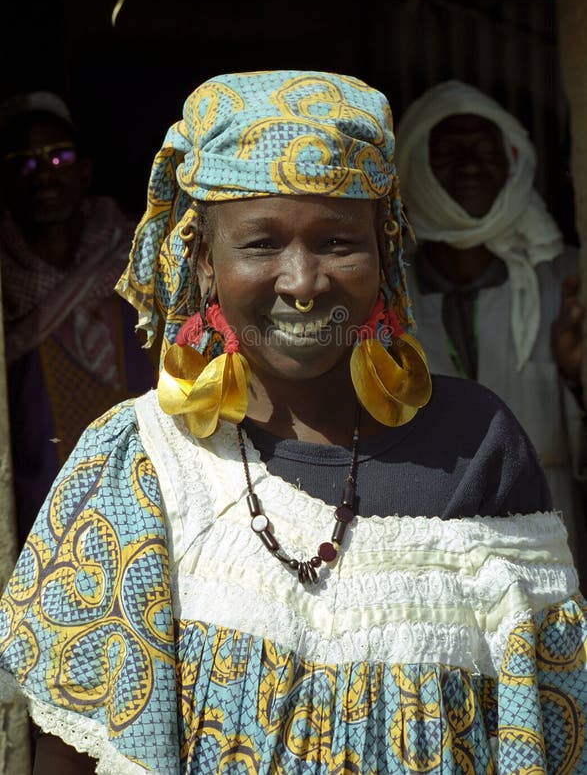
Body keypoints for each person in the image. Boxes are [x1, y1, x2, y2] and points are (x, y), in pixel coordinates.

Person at [0, 71, 585, 774]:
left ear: (384, 249)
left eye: (338, 242)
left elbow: (546, 725)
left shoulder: (477, 444)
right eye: (260, 244)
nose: (303, 282)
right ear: (203, 264)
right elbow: (69, 752)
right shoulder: (141, 461)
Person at [396, 80, 587, 586]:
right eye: (448, 154)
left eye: (486, 151)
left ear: (513, 161)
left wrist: (577, 377)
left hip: (549, 514)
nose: (471, 166)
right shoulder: (383, 292)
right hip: (426, 524)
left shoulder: (569, 277)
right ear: (413, 164)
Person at [0, 91, 156, 545]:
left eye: (58, 157)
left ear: (86, 170)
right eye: (24, 162)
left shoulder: (134, 255)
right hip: (35, 511)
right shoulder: (6, 281)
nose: (43, 175)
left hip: (139, 496)